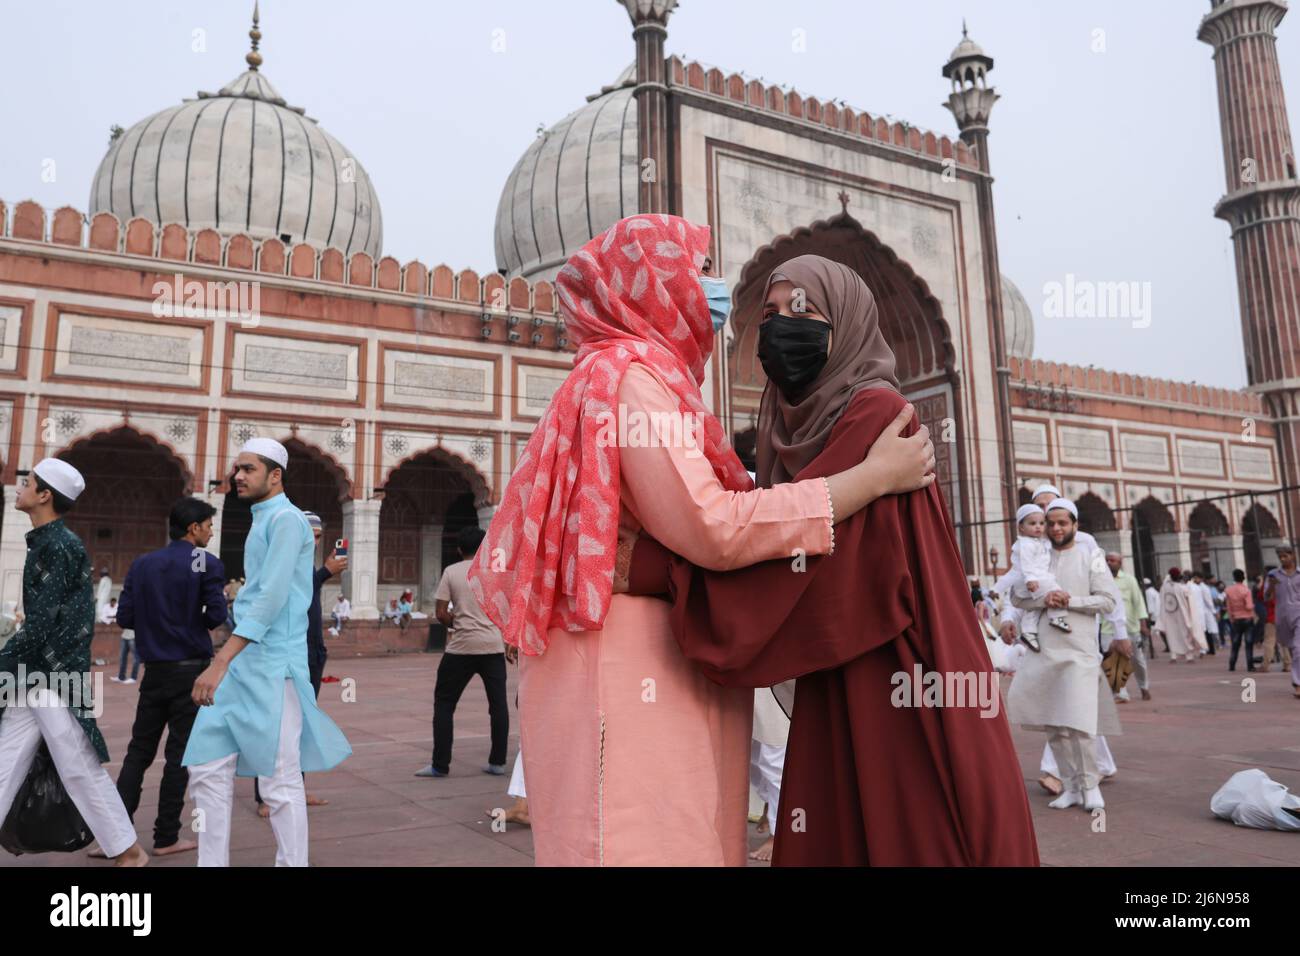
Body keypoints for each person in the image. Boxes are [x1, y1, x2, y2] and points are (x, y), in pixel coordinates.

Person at [468, 219, 938, 867]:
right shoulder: (629, 378)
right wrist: (870, 479)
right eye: (700, 269)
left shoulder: (632, 378)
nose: (718, 288)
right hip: (629, 669)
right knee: (641, 841)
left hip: (647, 659)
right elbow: (714, 528)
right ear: (654, 283)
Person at [624, 254, 1036, 865]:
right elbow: (792, 533)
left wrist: (651, 572)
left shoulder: (872, 413)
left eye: (801, 311)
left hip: (896, 661)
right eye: (767, 315)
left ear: (844, 327)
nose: (779, 329)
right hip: (846, 652)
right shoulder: (795, 424)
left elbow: (805, 566)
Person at [182, 438, 352, 867]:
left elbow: (272, 597)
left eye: (248, 469)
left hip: (276, 667)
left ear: (275, 476)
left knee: (278, 780)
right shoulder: (264, 519)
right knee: (205, 767)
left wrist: (220, 660)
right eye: (236, 468)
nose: (237, 476)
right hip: (246, 664)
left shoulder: (287, 521)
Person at [0, 458, 146, 866]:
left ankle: (129, 851)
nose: (19, 487)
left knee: (78, 766)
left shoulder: (57, 546)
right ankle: (129, 851)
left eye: (27, 483)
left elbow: (44, 624)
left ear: (44, 495)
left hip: (54, 677)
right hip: (37, 675)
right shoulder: (49, 542)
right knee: (6, 760)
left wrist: (4, 662)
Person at [97, 497, 228, 858]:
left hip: (154, 671)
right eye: (208, 525)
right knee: (178, 756)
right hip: (191, 672)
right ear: (194, 528)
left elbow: (125, 617)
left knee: (138, 752)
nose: (211, 531)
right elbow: (216, 615)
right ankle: (166, 835)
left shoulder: (144, 563)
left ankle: (115, 837)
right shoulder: (204, 561)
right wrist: (189, 623)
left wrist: (158, 625)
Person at [1007, 498, 1123, 812]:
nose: (1056, 529)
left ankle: (1090, 785)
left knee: (1081, 722)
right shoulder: (1038, 555)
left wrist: (1068, 601)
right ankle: (1071, 787)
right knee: (1055, 723)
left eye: (1062, 523)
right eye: (1051, 523)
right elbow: (1017, 596)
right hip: (1045, 649)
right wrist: (1045, 598)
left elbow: (1108, 601)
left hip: (1080, 649)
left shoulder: (1092, 556)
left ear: (1075, 525)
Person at [254, 510, 345, 816]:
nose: (313, 541)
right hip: (287, 653)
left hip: (311, 652)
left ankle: (295, 789)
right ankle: (265, 797)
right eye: (309, 535)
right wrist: (324, 574)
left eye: (317, 537)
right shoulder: (282, 561)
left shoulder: (305, 563)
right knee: (277, 726)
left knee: (299, 727)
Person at [416, 526, 508, 778]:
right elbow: (505, 610)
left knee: (444, 704)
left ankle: (439, 764)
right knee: (498, 705)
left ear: (459, 549)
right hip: (492, 646)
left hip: (462, 647)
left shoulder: (452, 571)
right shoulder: (495, 572)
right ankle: (498, 762)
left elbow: (441, 612)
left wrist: (457, 623)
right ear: (484, 548)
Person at [1108, 552, 1151, 702]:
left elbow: (1138, 603)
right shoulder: (1100, 580)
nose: (1109, 563)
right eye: (1107, 560)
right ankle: (1121, 693)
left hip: (1130, 627)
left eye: (1112, 560)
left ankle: (1144, 686)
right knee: (1114, 659)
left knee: (1137, 660)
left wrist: (1143, 624)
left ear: (1120, 563)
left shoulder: (1129, 580)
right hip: (1108, 628)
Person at [1263, 544, 1300, 697]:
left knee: (1298, 648)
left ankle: (1298, 683)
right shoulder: (1274, 575)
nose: (1283, 559)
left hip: (1298, 614)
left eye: (1285, 556)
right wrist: (1271, 586)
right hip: (1282, 617)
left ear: (1292, 555)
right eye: (1280, 557)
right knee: (1292, 648)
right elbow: (1267, 597)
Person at [1225, 569, 1258, 672]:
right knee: (1248, 643)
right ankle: (1250, 665)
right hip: (1247, 618)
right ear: (1243, 577)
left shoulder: (1229, 590)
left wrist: (1231, 618)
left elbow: (1229, 607)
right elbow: (1248, 606)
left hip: (1236, 619)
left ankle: (1232, 664)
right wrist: (1253, 606)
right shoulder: (1246, 590)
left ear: (1234, 577)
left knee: (1235, 643)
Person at [1193, 571, 1219, 655]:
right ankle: (1208, 648)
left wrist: (1214, 612)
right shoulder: (1197, 587)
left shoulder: (1204, 588)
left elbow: (1209, 601)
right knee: (1206, 631)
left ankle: (1211, 648)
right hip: (1201, 612)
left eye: (1196, 578)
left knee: (1208, 631)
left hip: (1206, 612)